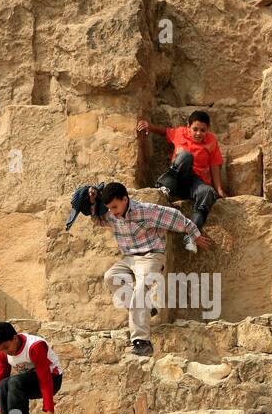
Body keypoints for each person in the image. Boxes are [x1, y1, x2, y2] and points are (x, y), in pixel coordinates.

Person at [93, 181, 213, 358]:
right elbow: (98, 220)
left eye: (115, 207)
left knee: (140, 291)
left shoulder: (146, 211)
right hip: (130, 259)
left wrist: (194, 234)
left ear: (125, 199)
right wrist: (91, 204)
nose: (112, 212)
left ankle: (142, 342)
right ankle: (146, 309)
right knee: (111, 277)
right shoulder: (113, 215)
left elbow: (175, 217)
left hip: (151, 256)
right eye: (109, 208)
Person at [137, 110, 225, 238]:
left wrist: (219, 189)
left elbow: (214, 165)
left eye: (203, 130)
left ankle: (192, 233)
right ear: (188, 127)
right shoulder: (180, 133)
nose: (198, 133)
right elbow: (165, 131)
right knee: (185, 156)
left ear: (208, 129)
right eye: (195, 129)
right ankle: (164, 188)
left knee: (208, 192)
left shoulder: (211, 141)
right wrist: (150, 127)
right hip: (177, 180)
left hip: (196, 183)